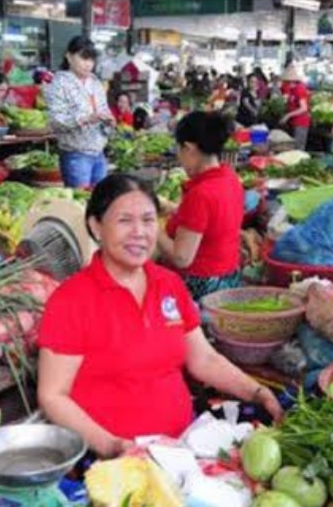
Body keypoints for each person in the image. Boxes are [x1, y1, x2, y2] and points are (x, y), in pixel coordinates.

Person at [36, 174, 283, 458]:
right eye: (125, 220)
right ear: (96, 226)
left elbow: (204, 359)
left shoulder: (169, 284)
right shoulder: (71, 300)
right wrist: (112, 445)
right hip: (114, 460)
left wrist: (257, 392)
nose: (139, 232)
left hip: (182, 447)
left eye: (148, 220)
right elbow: (52, 396)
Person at [157, 111, 244, 301]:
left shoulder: (201, 194)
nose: (179, 158)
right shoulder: (230, 178)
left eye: (179, 150)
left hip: (201, 286)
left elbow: (181, 258)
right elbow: (212, 220)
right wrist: (174, 208)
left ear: (189, 148)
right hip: (228, 277)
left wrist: (151, 228)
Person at [46, 36, 115, 189]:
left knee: (100, 199)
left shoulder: (96, 82)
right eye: (83, 58)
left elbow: (104, 109)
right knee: (81, 200)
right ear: (69, 56)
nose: (88, 64)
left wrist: (109, 121)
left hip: (99, 153)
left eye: (91, 59)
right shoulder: (59, 83)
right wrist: (85, 119)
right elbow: (55, 121)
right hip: (76, 155)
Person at [279, 65, 311, 151]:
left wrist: (288, 115)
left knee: (298, 148)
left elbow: (304, 108)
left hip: (301, 123)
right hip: (294, 122)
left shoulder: (299, 89)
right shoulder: (292, 89)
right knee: (293, 147)